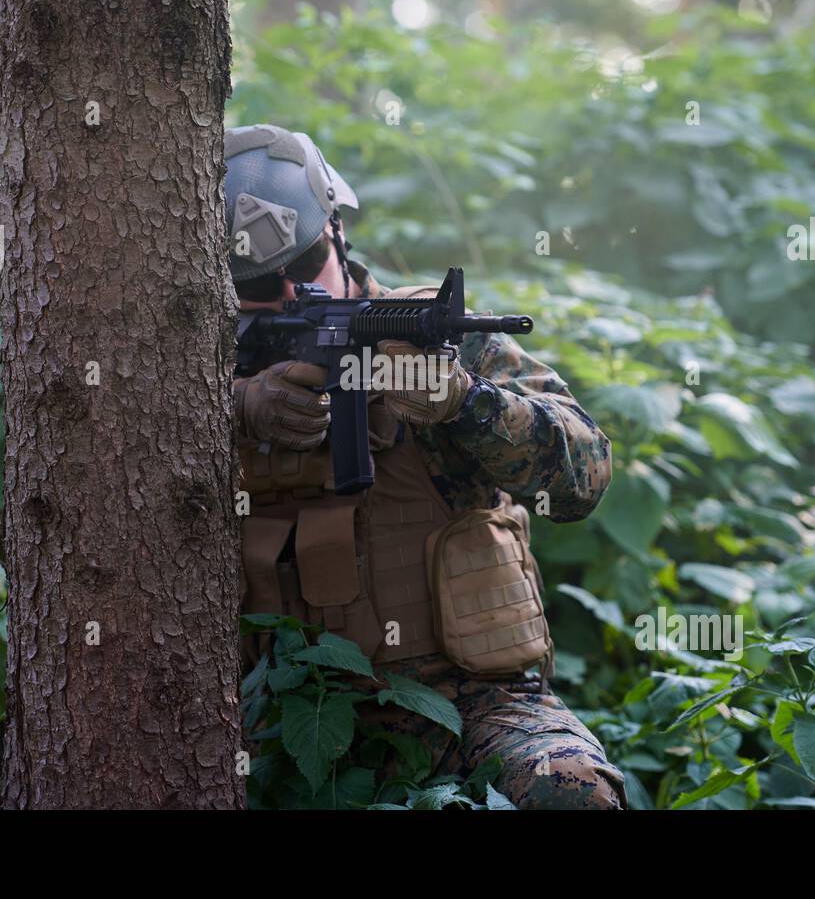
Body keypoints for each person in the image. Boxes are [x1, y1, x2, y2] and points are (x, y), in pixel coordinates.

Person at [226, 123, 626, 809]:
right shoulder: (187, 372)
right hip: (287, 711)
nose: (294, 296)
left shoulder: (430, 335)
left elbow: (583, 479)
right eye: (263, 281)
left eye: (305, 263)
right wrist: (235, 409)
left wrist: (467, 405)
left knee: (571, 794)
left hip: (474, 701)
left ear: (338, 230)